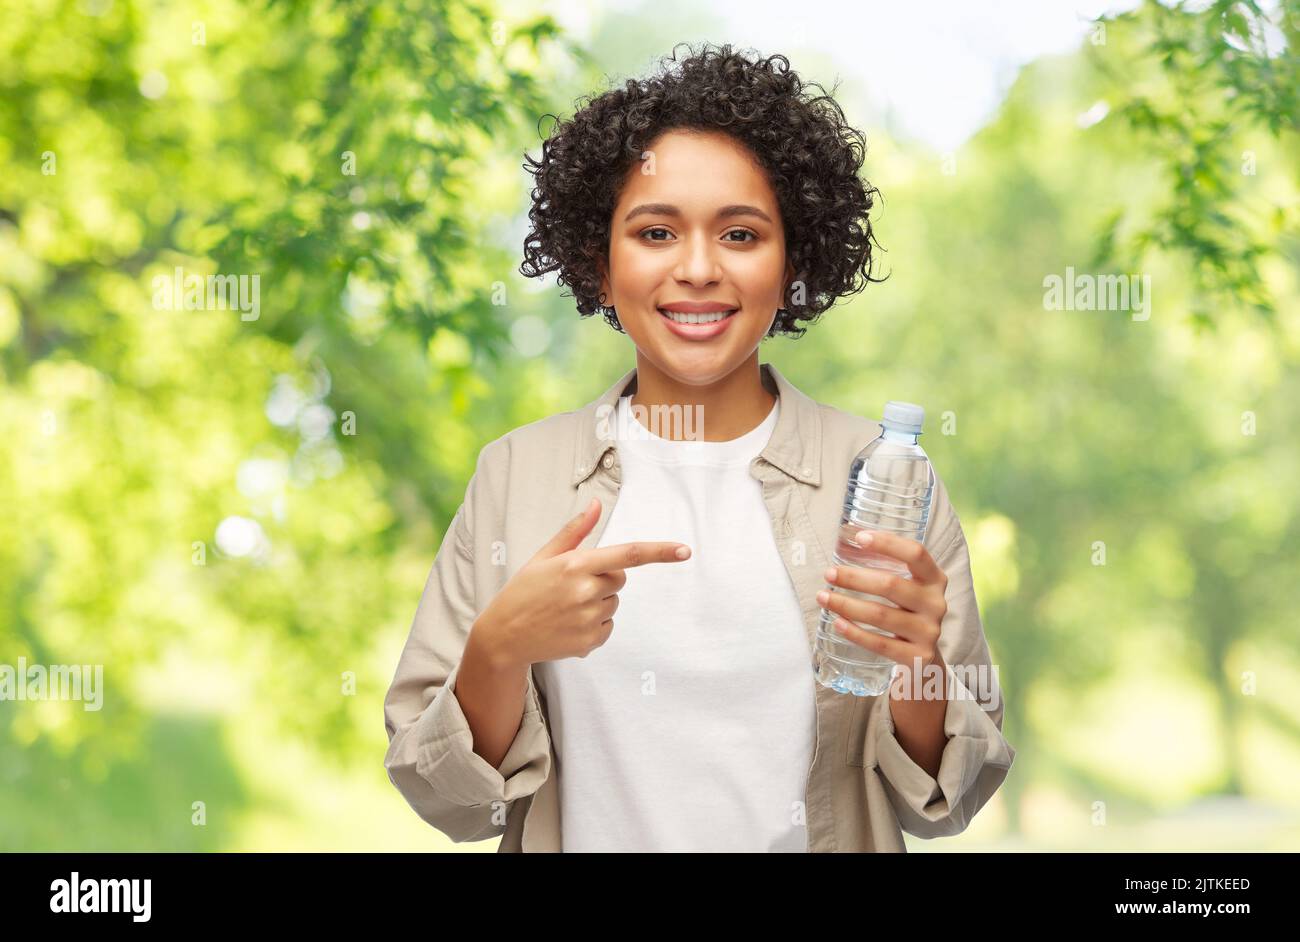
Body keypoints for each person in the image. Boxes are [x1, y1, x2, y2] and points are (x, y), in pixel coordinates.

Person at [383, 42, 1014, 852]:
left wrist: (918, 661)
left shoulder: (884, 477)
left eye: (742, 235)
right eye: (654, 232)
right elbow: (450, 804)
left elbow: (949, 798)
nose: (698, 269)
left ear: (793, 262)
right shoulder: (515, 474)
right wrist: (499, 651)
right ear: (597, 264)